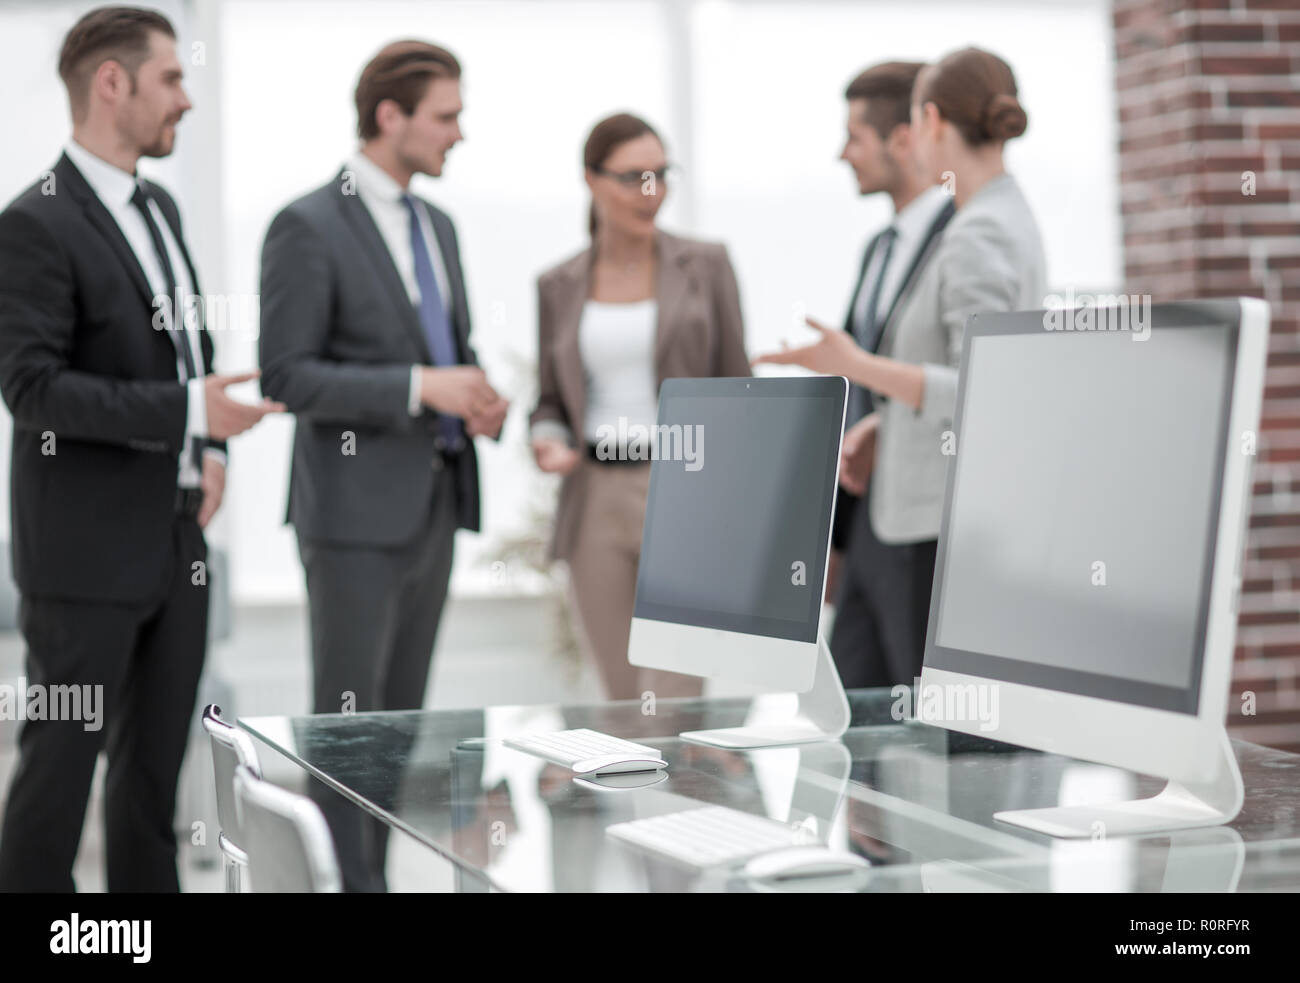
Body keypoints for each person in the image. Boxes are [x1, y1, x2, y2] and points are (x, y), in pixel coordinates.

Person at [0, 5, 281, 891]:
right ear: (110, 83)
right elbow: (31, 389)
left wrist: (208, 452)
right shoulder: (33, 222)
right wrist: (188, 411)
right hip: (81, 558)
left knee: (154, 784)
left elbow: (175, 356)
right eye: (171, 78)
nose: (186, 100)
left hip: (176, 541)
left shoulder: (155, 204)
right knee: (57, 779)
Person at [258, 40, 507, 892]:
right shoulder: (306, 224)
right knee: (349, 725)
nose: (459, 134)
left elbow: (447, 349)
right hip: (354, 519)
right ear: (389, 116)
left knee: (400, 723)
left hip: (435, 505)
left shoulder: (439, 226)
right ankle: (347, 885)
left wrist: (471, 395)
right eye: (447, 117)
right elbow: (286, 373)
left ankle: (377, 879)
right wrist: (417, 385)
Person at [757, 47, 1047, 688]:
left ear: (932, 122)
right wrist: (883, 423)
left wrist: (856, 365)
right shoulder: (993, 217)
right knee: (864, 713)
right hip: (896, 517)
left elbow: (992, 388)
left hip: (933, 521)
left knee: (929, 732)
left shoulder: (980, 232)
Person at [530, 113, 750, 702]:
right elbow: (550, 399)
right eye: (633, 177)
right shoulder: (558, 284)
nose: (651, 192)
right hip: (594, 494)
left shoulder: (706, 266)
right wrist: (547, 436)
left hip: (683, 489)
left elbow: (740, 389)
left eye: (660, 174)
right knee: (622, 701)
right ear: (591, 179)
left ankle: (681, 800)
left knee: (676, 702)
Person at [826, 61, 955, 687]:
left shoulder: (964, 235)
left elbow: (969, 381)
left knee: (928, 717)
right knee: (854, 707)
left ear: (902, 137)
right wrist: (836, 536)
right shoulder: (877, 249)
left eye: (854, 136)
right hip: (870, 521)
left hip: (929, 526)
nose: (842, 154)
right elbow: (860, 390)